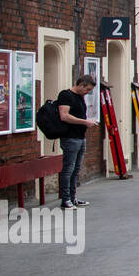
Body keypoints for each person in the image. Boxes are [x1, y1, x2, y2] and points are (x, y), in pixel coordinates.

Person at [56, 75, 99, 209]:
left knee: (76, 169)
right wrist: (85, 122)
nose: (88, 93)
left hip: (80, 137)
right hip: (70, 137)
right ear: (81, 85)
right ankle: (65, 199)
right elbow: (64, 116)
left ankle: (73, 197)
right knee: (68, 169)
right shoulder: (65, 95)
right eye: (87, 89)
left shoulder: (80, 97)